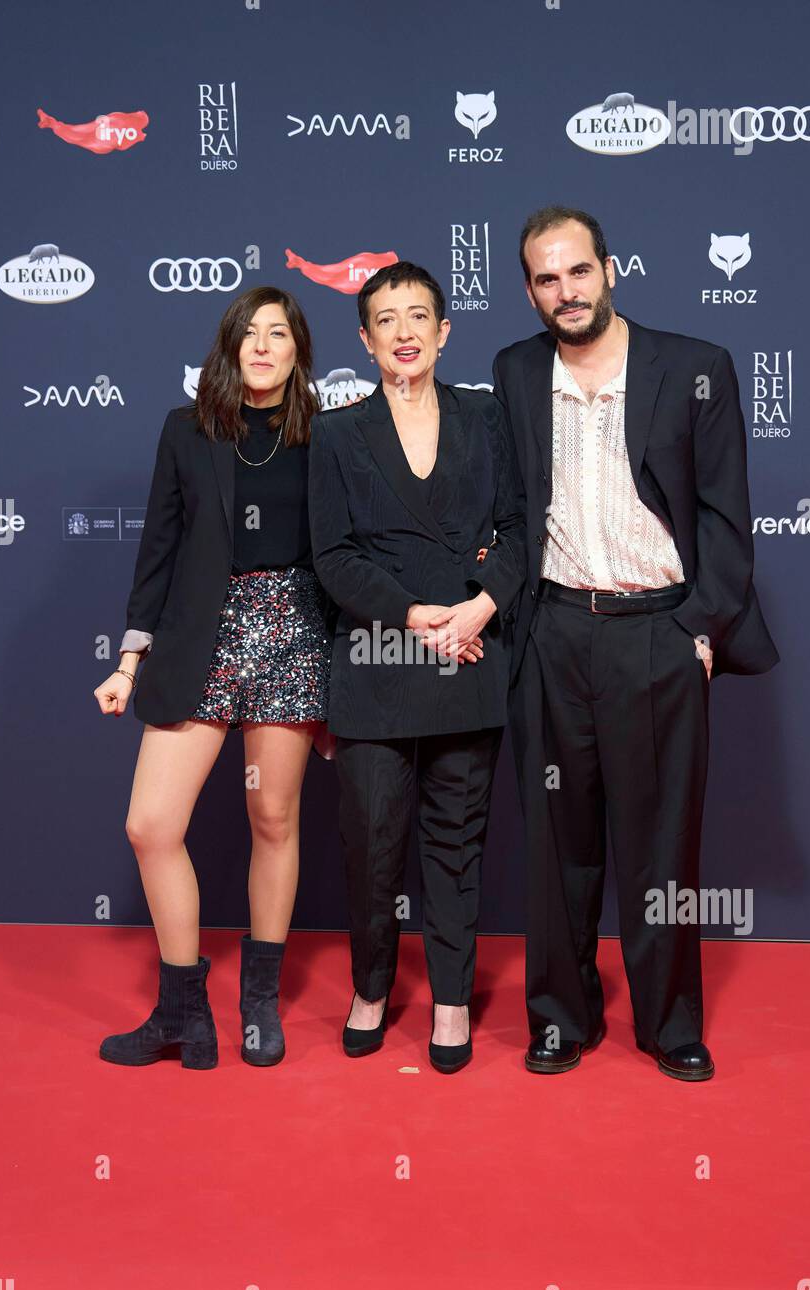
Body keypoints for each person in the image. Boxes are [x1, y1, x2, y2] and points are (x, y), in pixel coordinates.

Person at [493, 206, 778, 1081]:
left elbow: (728, 520)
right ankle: (558, 1017)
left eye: (578, 272)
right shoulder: (513, 372)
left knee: (662, 843)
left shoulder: (695, 368)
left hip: (658, 632)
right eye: (546, 278)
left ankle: (670, 1021)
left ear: (610, 270)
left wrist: (698, 627)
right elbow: (506, 513)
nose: (565, 292)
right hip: (551, 631)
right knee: (555, 840)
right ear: (530, 289)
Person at [93, 287, 332, 1070]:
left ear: (298, 348)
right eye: (247, 334)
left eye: (277, 333)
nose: (262, 346)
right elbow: (156, 552)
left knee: (273, 818)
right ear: (227, 349)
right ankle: (181, 1013)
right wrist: (130, 660)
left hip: (293, 635)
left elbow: (359, 544)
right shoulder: (187, 431)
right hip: (202, 638)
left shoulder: (327, 436)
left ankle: (258, 999)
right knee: (151, 825)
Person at [309, 261, 527, 1072]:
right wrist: (411, 615)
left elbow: (517, 527)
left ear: (443, 331)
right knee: (369, 840)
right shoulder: (335, 433)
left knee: (455, 843)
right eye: (386, 320)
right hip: (375, 663)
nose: (404, 332)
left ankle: (450, 1000)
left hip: (470, 654)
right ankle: (371, 988)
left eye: (418, 317)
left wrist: (478, 608)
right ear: (365, 341)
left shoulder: (488, 417)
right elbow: (331, 554)